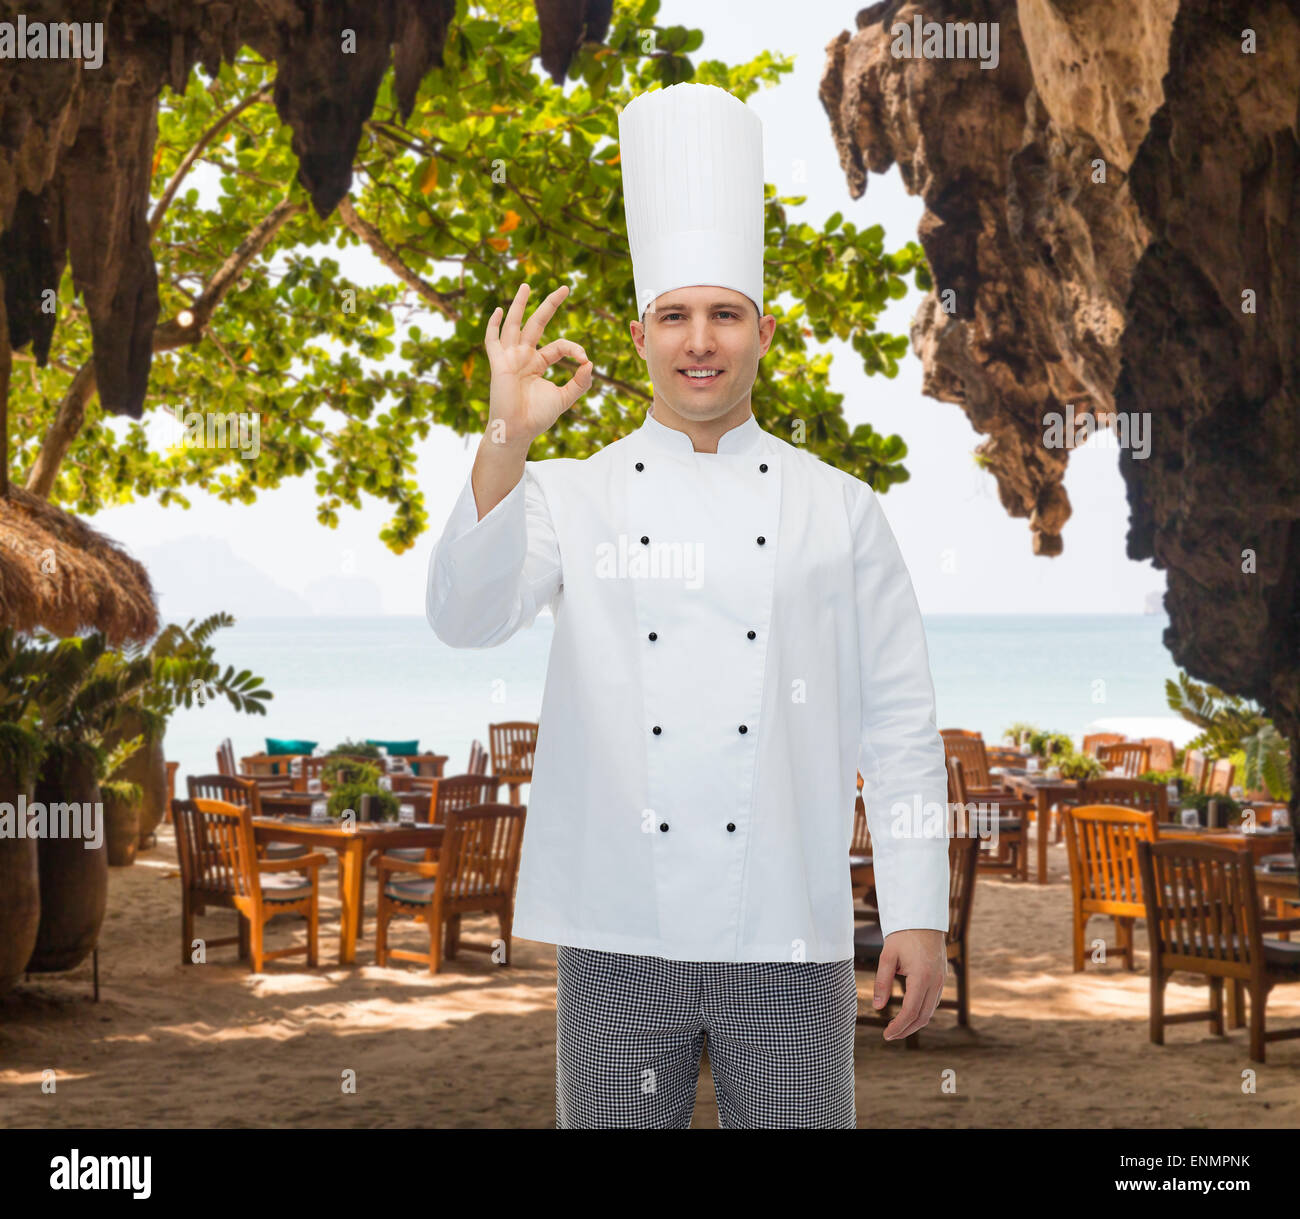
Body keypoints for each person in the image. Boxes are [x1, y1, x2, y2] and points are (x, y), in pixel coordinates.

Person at [427, 82, 949, 1129]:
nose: (697, 340)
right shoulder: (567, 492)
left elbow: (897, 724)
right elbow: (463, 615)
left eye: (722, 314)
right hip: (616, 930)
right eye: (674, 315)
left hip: (789, 937)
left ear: (762, 333)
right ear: (637, 336)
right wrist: (506, 435)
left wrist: (917, 913)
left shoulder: (841, 509)